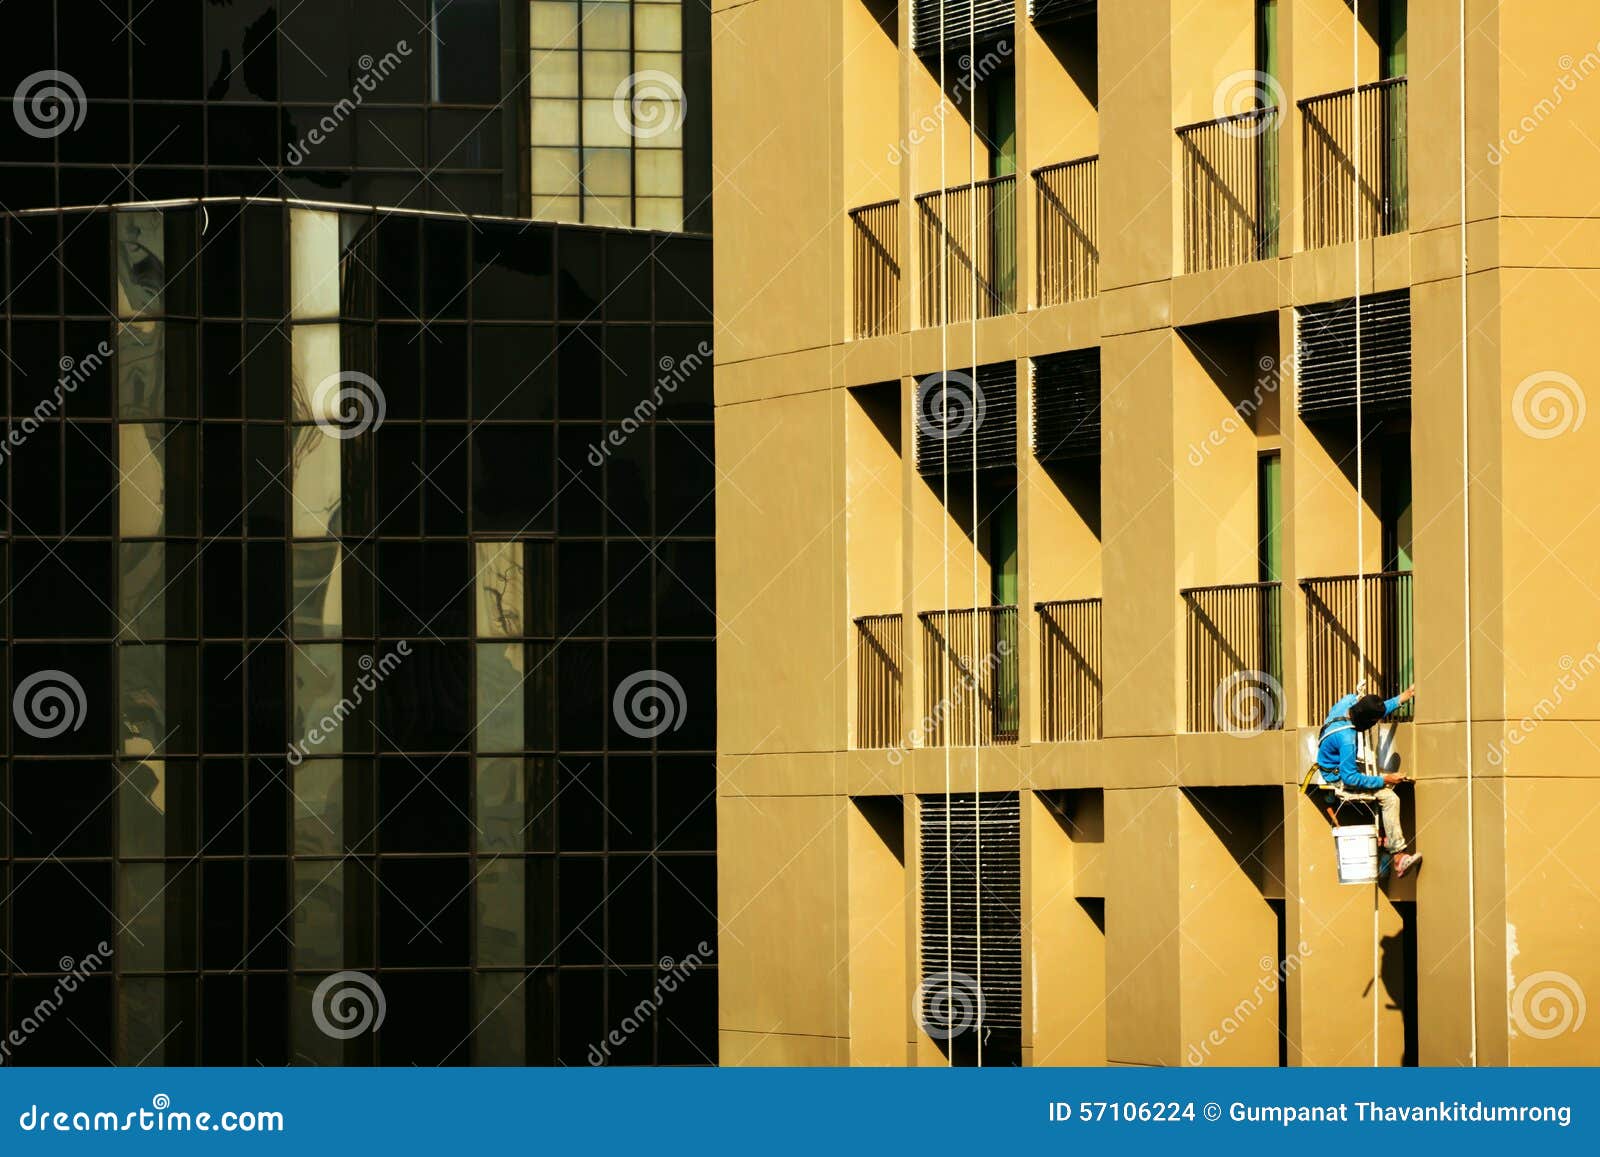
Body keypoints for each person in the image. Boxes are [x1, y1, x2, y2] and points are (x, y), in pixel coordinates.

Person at [1316, 685, 1421, 878]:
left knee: (1386, 786)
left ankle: (1385, 839)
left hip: (1338, 764)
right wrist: (1385, 779)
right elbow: (1350, 778)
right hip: (1339, 779)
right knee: (1390, 798)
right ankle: (1398, 856)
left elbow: (1369, 709)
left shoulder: (1347, 703)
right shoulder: (1347, 739)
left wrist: (1402, 698)